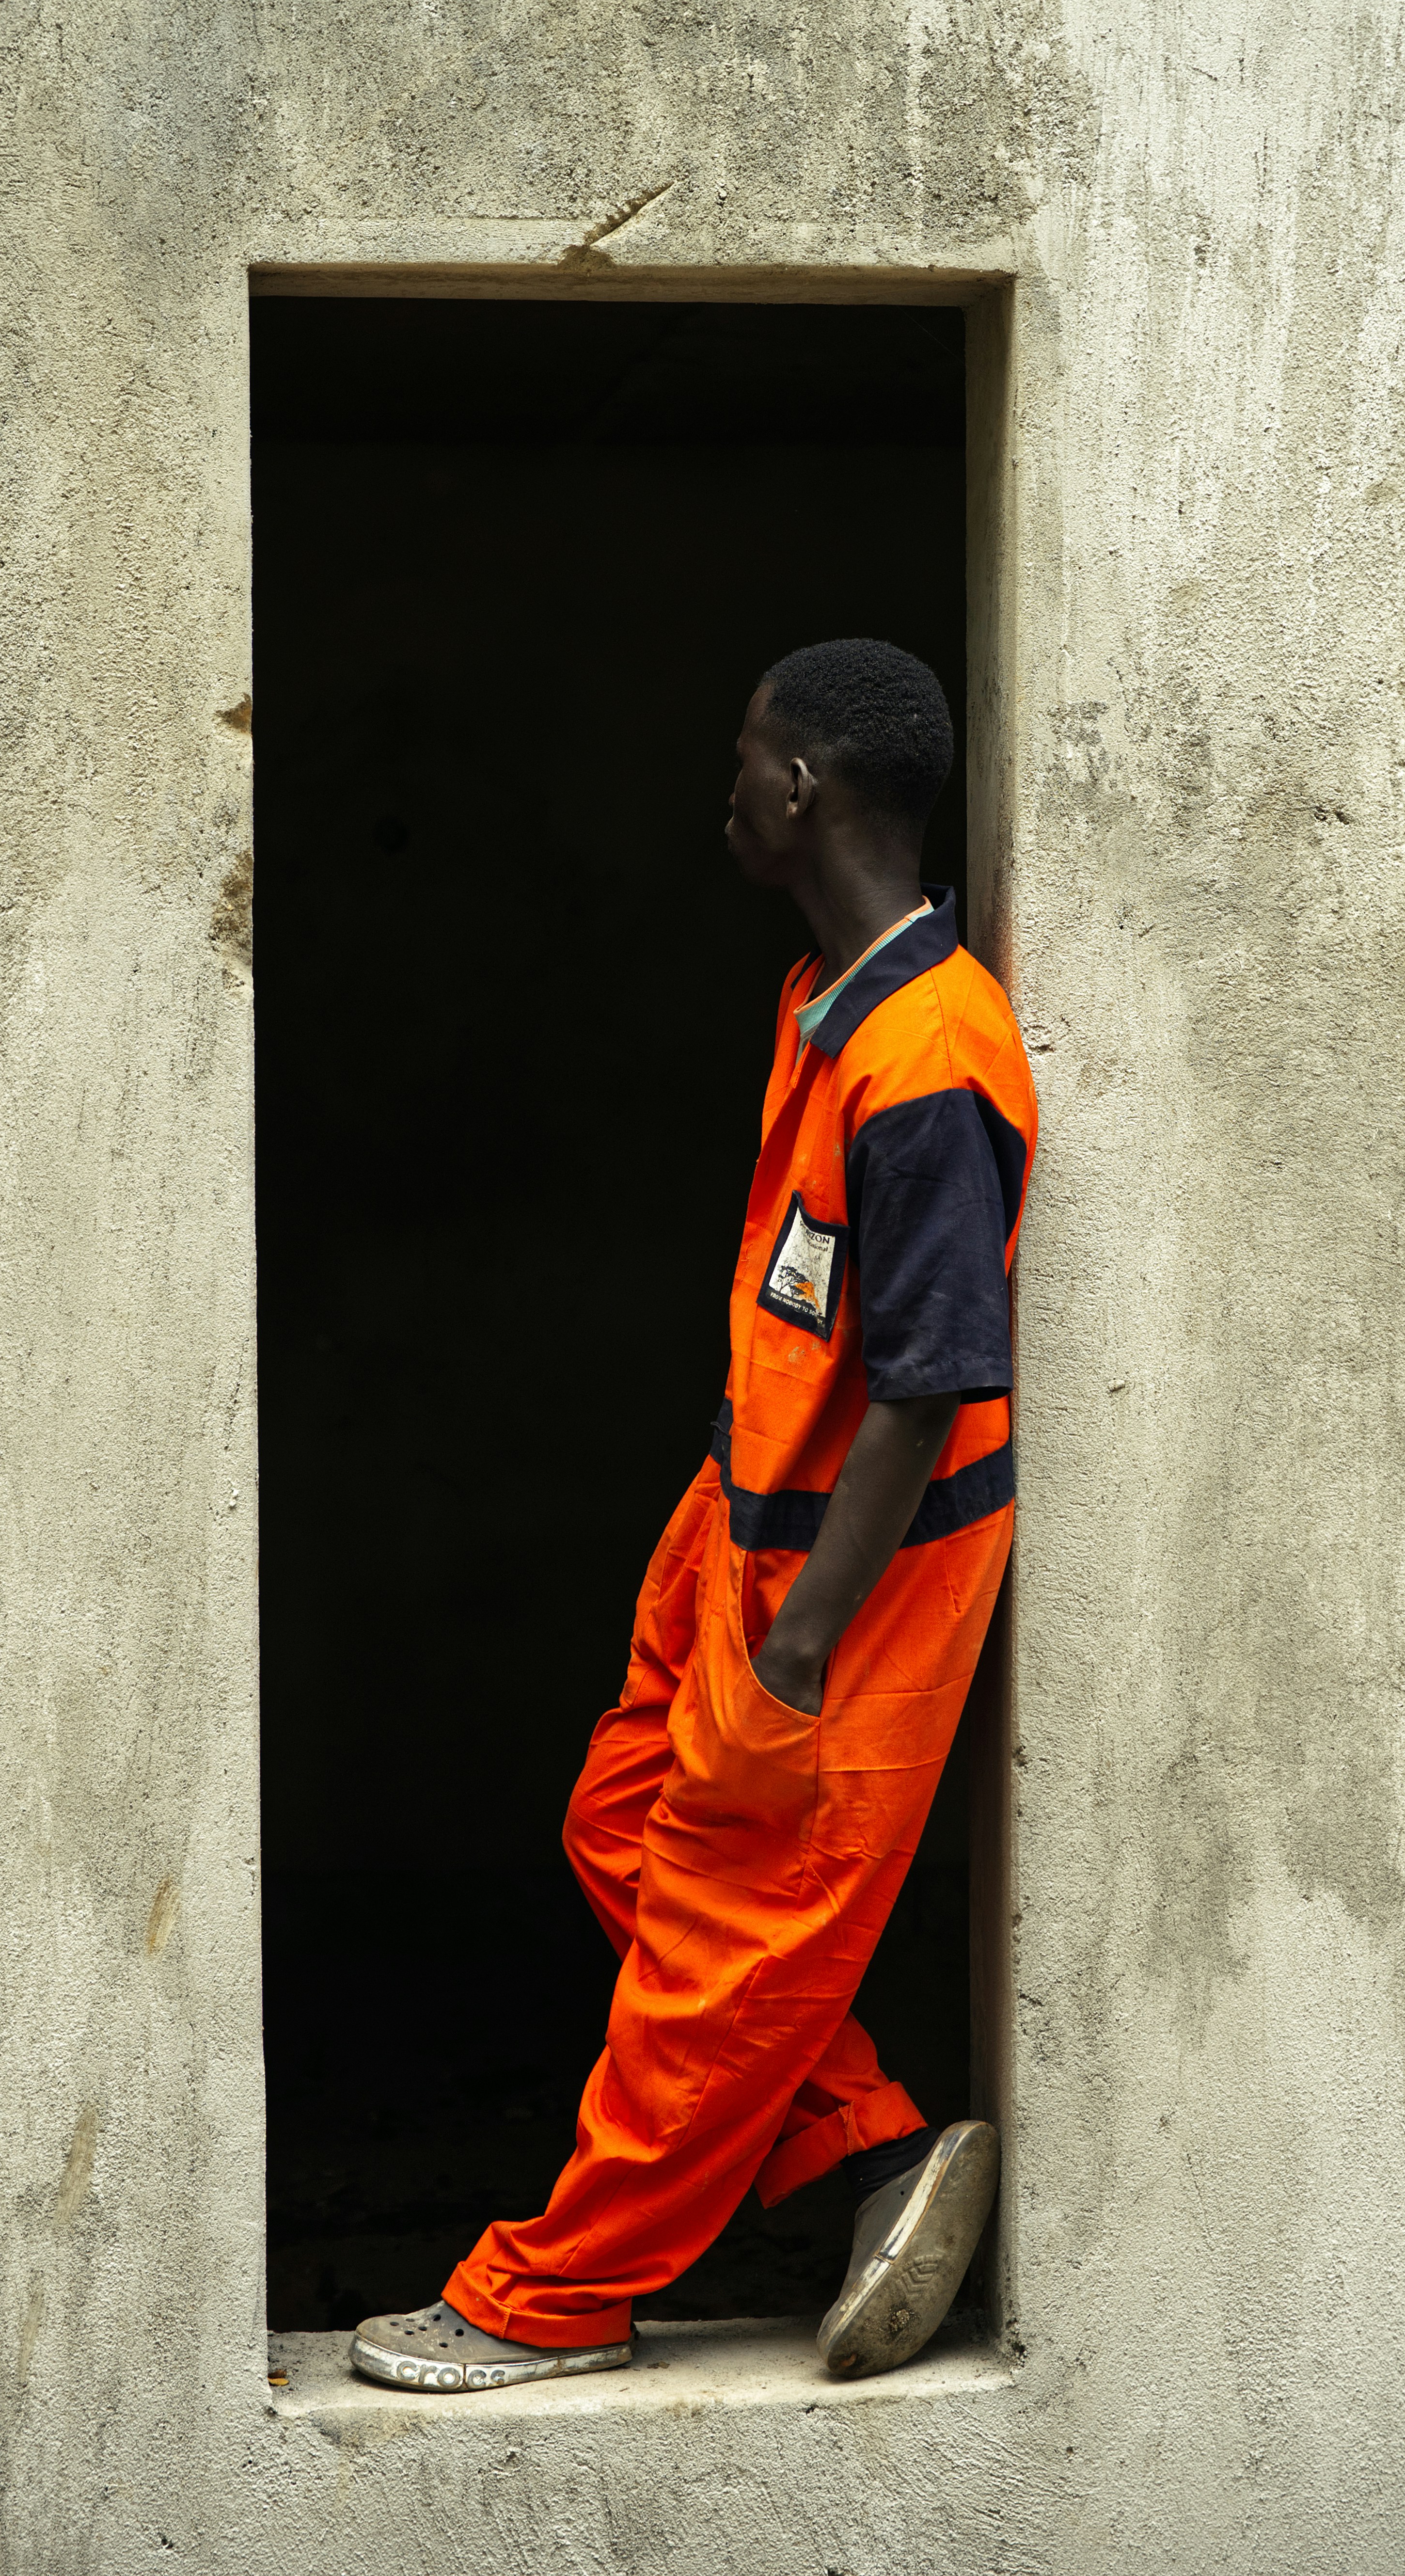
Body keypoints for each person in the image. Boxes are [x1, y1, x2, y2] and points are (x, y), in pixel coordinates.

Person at [351, 636, 1038, 2396]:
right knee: (623, 1819)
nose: (724, 790)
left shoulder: (928, 1057)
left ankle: (552, 2291)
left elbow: (932, 1377)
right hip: (746, 1528)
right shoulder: (836, 1004)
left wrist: (803, 1643)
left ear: (801, 792)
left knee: (726, 1938)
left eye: (743, 760)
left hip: (846, 1585)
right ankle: (874, 2142)